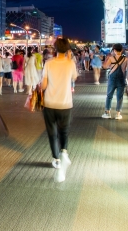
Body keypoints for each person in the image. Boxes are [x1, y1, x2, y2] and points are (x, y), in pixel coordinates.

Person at [41, 38, 78, 183]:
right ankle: (64, 153)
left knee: (52, 132)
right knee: (64, 131)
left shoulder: (49, 63)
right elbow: (74, 77)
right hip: (65, 103)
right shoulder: (70, 63)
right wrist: (69, 59)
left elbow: (43, 85)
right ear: (68, 49)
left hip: (49, 103)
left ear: (54, 49)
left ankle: (56, 159)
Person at [102, 43, 128, 120]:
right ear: (122, 50)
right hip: (121, 79)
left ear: (114, 50)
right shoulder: (125, 59)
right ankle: (118, 114)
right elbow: (124, 69)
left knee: (109, 96)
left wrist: (107, 61)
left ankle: (107, 113)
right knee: (120, 97)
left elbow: (105, 66)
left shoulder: (111, 58)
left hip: (112, 78)